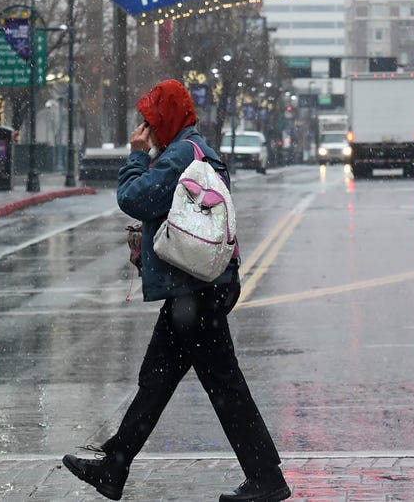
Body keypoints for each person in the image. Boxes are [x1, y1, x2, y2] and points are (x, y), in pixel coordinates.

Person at [62, 80, 290, 502]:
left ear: (167, 116)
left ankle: (266, 479)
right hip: (198, 288)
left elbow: (134, 197)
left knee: (223, 385)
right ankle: (115, 467)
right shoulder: (194, 150)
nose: (145, 128)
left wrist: (134, 154)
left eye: (150, 120)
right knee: (157, 379)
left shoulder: (182, 154)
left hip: (198, 293)